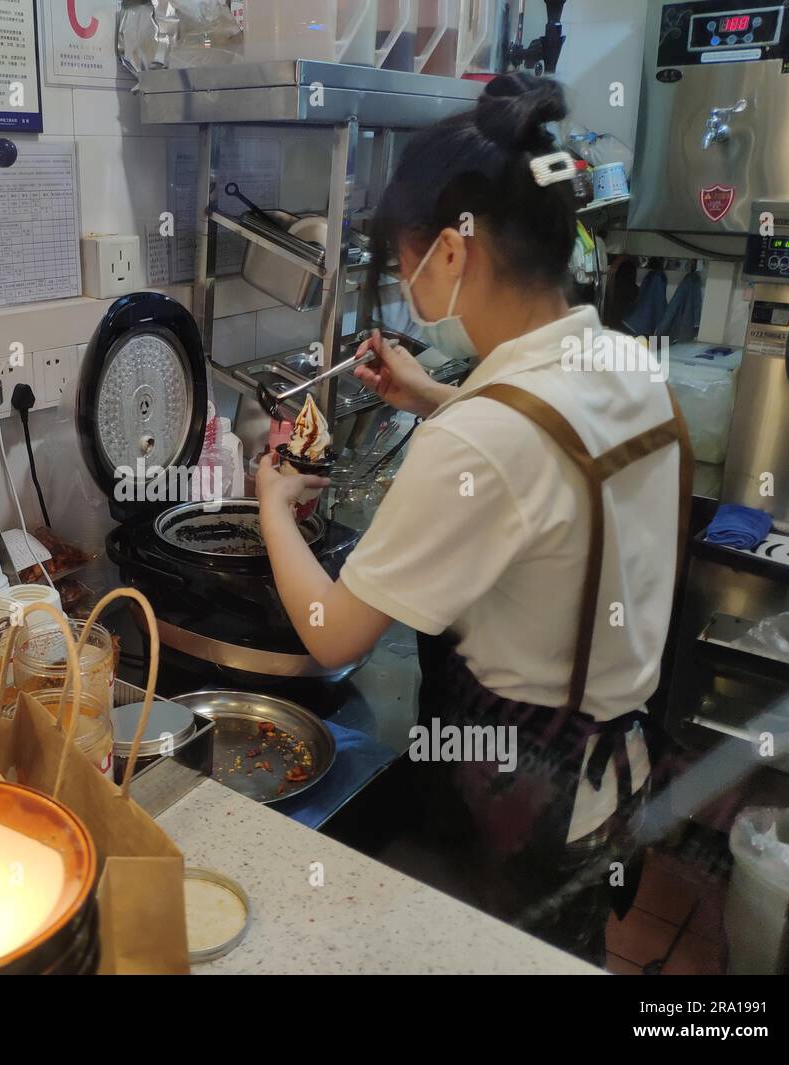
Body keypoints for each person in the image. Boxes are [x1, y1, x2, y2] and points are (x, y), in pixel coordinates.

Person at [255, 74, 691, 964]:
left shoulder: (483, 441)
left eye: (409, 259)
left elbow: (333, 635)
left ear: (454, 253)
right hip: (608, 781)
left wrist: (273, 508)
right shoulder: (624, 362)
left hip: (515, 799)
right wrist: (435, 396)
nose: (410, 287)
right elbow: (554, 456)